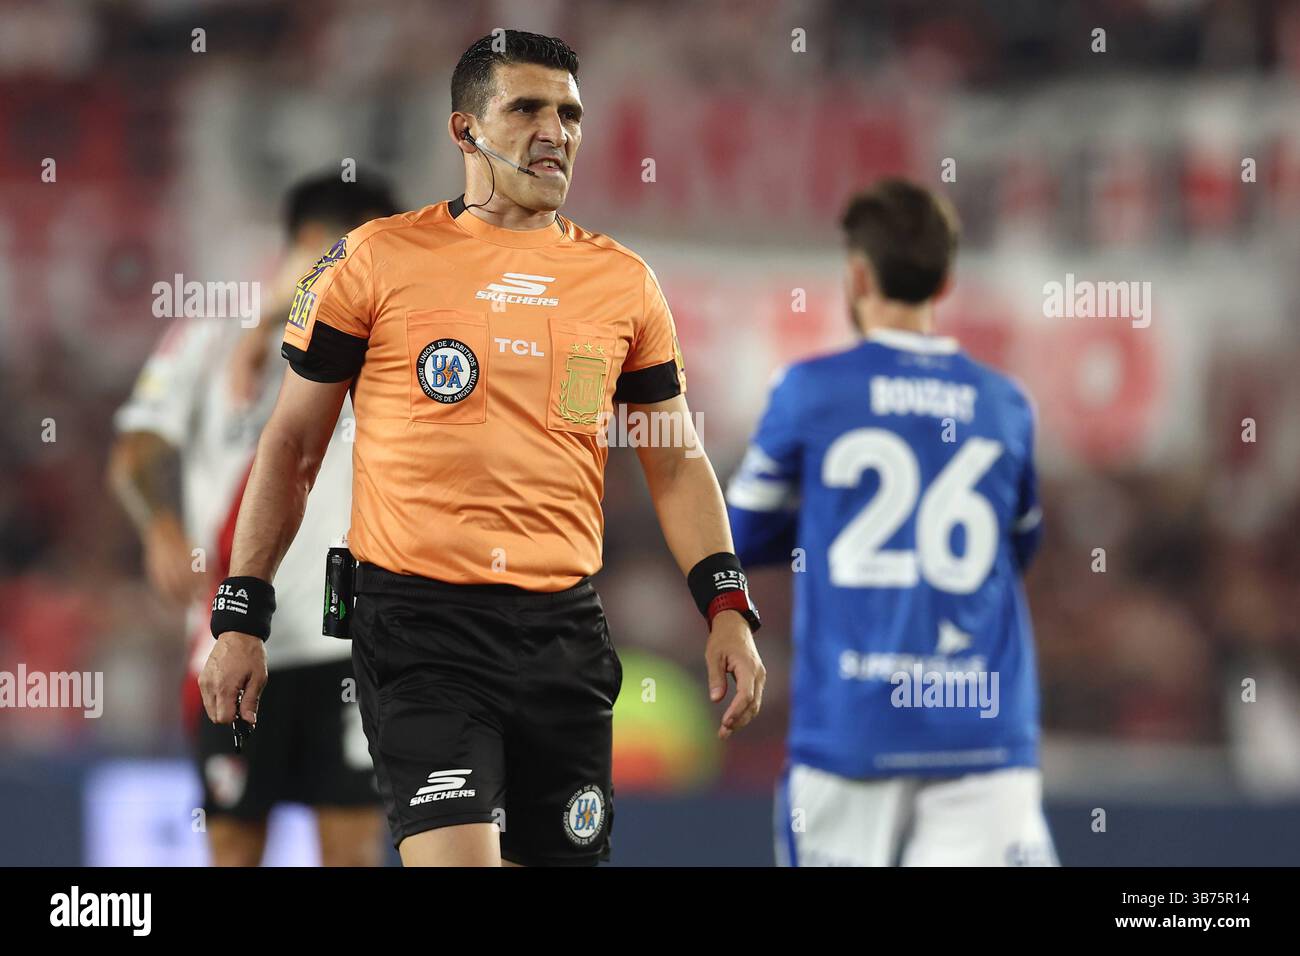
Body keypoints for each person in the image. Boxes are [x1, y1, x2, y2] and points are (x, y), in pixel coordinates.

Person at [200, 30, 766, 867]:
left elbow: (676, 460)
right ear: (465, 130)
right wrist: (242, 612)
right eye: (528, 108)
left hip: (565, 634)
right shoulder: (375, 261)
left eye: (570, 113)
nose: (556, 131)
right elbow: (290, 447)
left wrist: (726, 605)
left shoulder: (623, 284)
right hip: (420, 630)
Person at [727, 178, 1057, 866]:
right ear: (946, 280)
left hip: (852, 723)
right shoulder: (1005, 404)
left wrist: (825, 517)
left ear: (857, 273)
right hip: (984, 726)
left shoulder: (810, 389)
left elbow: (738, 534)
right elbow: (1019, 546)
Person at [109, 173, 399, 866]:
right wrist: (161, 526)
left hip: (346, 638)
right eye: (372, 241)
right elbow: (139, 447)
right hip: (236, 635)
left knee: (353, 847)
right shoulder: (214, 325)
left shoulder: (385, 335)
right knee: (236, 848)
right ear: (318, 239)